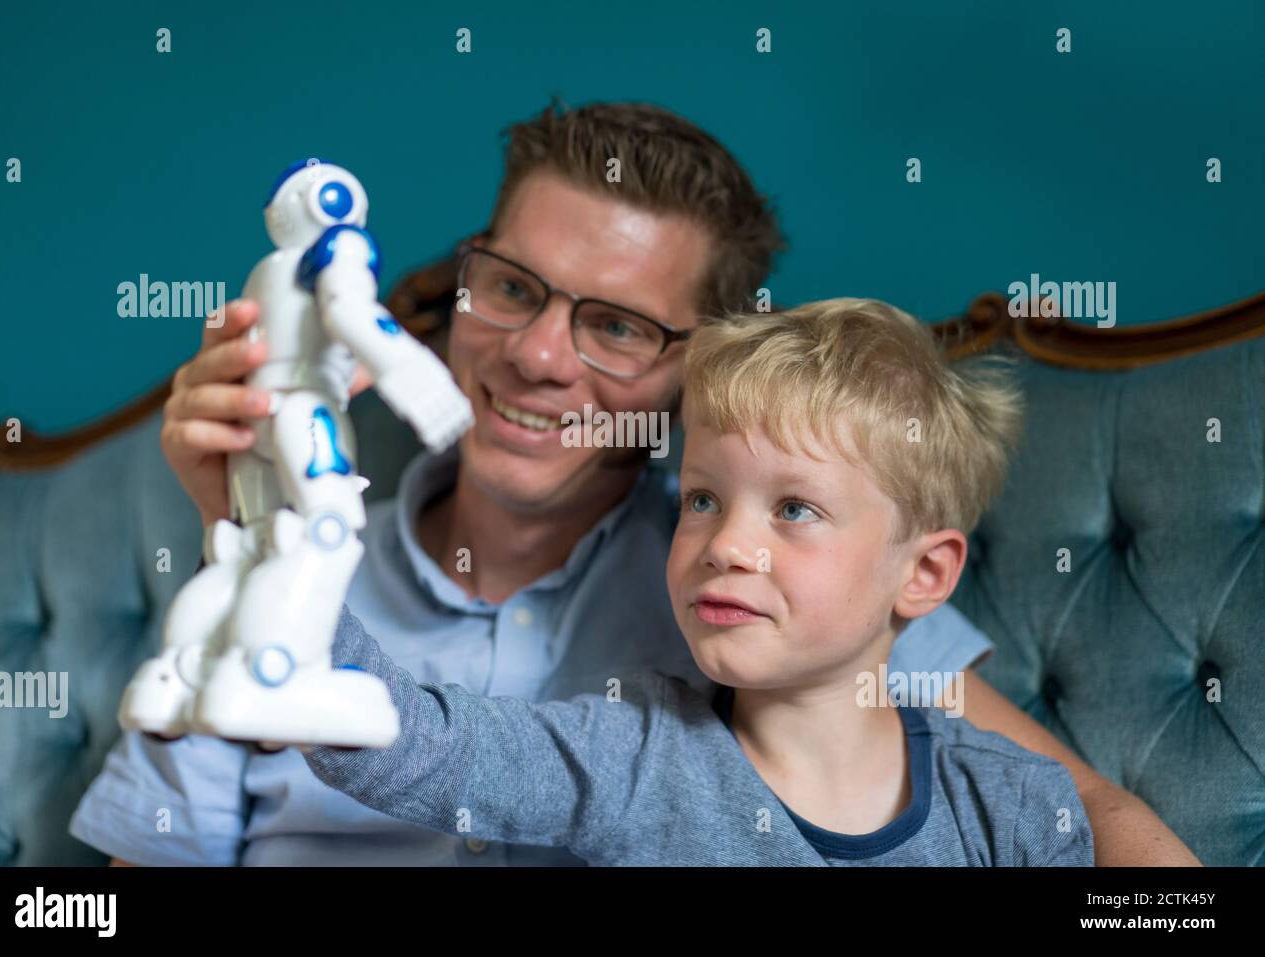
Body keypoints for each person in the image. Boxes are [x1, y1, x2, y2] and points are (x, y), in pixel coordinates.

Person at [69, 98, 1197, 866]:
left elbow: (1080, 810)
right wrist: (246, 523)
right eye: (512, 287)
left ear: (694, 373)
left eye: (614, 325)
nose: (540, 355)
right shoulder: (291, 574)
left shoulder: (776, 599)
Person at [304, 298, 1093, 865]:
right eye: (703, 499)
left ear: (923, 573)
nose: (726, 544)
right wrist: (289, 545)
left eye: (794, 507)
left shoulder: (1017, 806)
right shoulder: (634, 753)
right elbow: (411, 750)